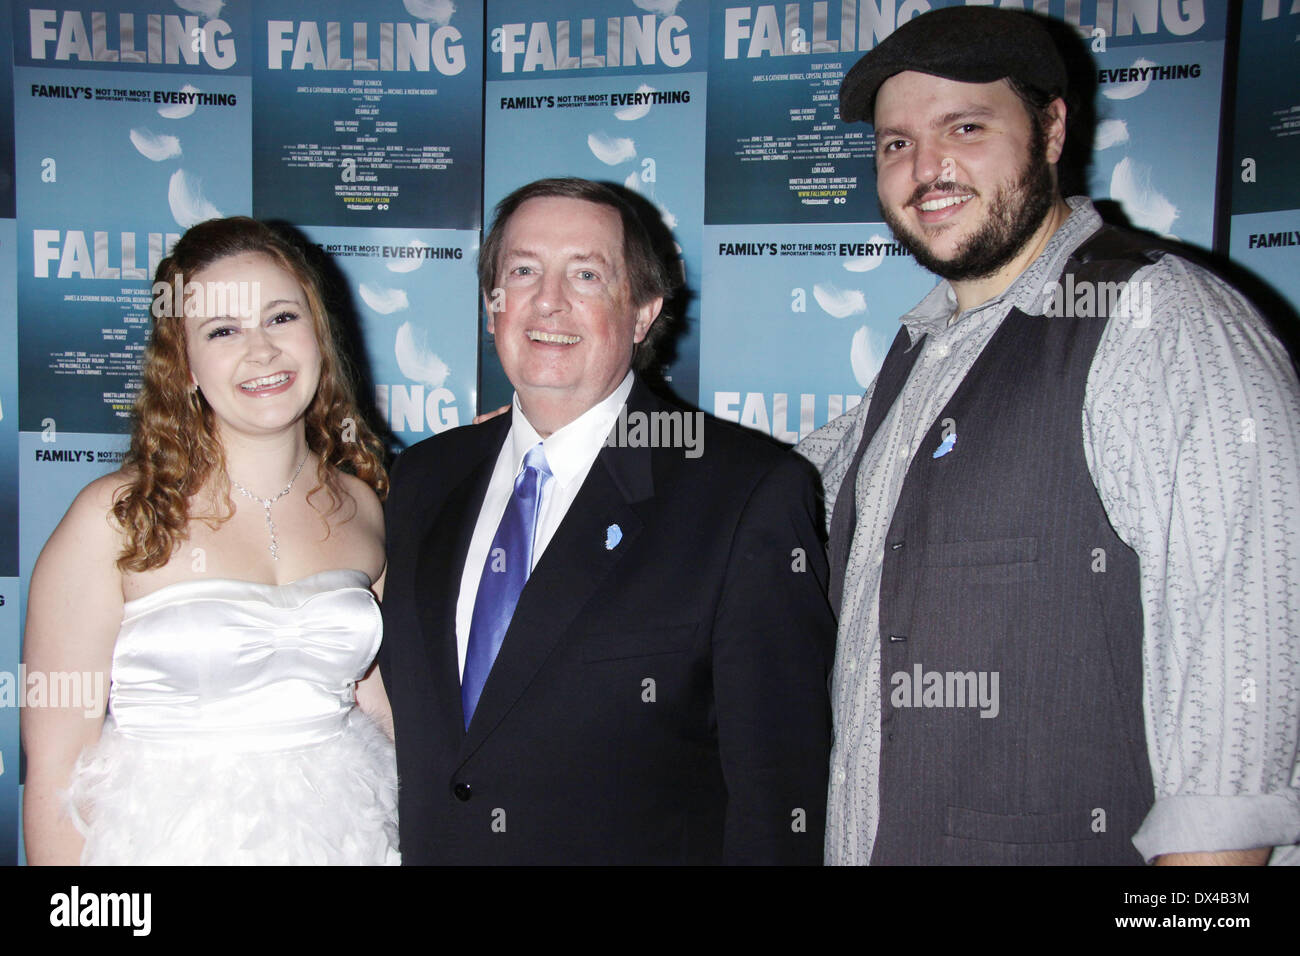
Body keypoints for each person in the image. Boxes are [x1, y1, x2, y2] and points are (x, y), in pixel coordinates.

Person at [798, 6, 1300, 865]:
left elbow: (1234, 757)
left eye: (965, 126)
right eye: (894, 144)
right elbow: (771, 486)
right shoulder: (923, 349)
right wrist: (596, 429)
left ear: (1053, 127)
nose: (927, 168)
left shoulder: (1157, 318)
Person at [380, 178, 835, 864]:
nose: (548, 301)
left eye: (586, 274)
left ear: (644, 311)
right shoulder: (420, 481)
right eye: (523, 271)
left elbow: (778, 799)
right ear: (491, 305)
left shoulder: (746, 495)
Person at [22, 217, 399, 865]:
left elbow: (379, 710)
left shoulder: (362, 505)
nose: (261, 350)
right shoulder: (115, 516)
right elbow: (56, 775)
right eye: (223, 330)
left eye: (281, 318)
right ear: (185, 366)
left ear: (317, 334)